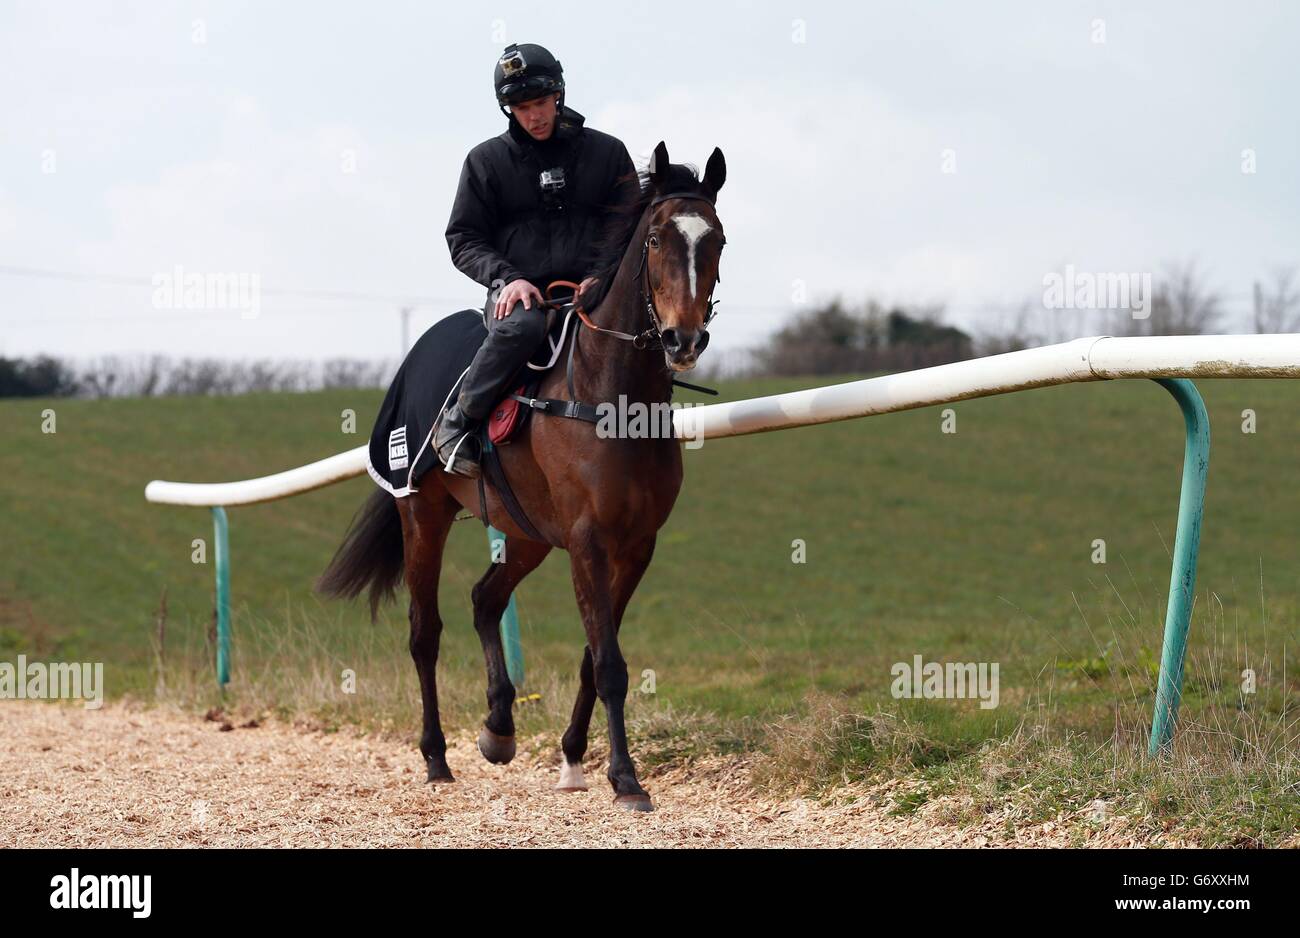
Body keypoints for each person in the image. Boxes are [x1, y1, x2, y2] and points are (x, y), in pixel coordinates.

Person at [436, 42, 638, 477]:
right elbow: (463, 237)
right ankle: (459, 421)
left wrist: (601, 276)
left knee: (639, 322)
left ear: (559, 94)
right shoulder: (485, 161)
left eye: (541, 102)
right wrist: (507, 278)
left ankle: (652, 422)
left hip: (595, 290)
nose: (534, 116)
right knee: (524, 324)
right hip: (521, 296)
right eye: (521, 107)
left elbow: (631, 231)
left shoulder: (609, 154)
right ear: (509, 110)